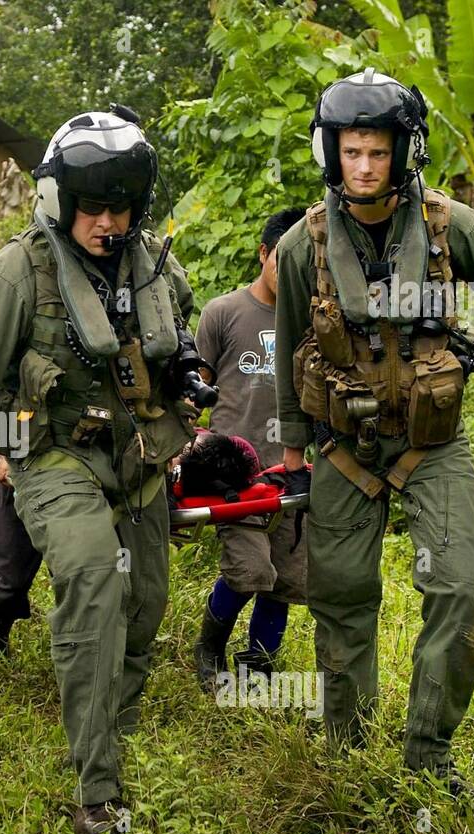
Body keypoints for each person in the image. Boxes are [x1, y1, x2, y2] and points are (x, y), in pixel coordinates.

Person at [274, 70, 474, 795]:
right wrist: (292, 457)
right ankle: (348, 752)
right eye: (351, 151)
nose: (364, 167)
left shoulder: (451, 224)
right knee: (343, 599)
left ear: (404, 152)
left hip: (433, 445)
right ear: (331, 153)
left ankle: (427, 749)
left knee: (466, 585)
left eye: (379, 153)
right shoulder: (305, 244)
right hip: (341, 450)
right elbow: (290, 342)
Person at [0, 107, 209, 834]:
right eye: (93, 207)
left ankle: (110, 720)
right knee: (93, 578)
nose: (107, 221)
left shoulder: (153, 262)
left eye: (120, 206)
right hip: (49, 455)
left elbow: (179, 331)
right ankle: (97, 786)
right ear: (61, 202)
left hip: (137, 458)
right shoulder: (12, 274)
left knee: (147, 602)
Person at [192, 208, 309, 688]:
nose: (292, 274)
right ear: (263, 254)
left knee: (285, 578)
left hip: (294, 468)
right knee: (250, 568)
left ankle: (257, 668)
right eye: (283, 261)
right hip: (235, 474)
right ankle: (209, 645)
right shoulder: (223, 312)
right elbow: (193, 389)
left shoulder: (311, 319)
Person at [0, 452, 43, 658]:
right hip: (19, 458)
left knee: (72, 570)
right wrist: (5, 452)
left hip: (76, 465)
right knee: (11, 562)